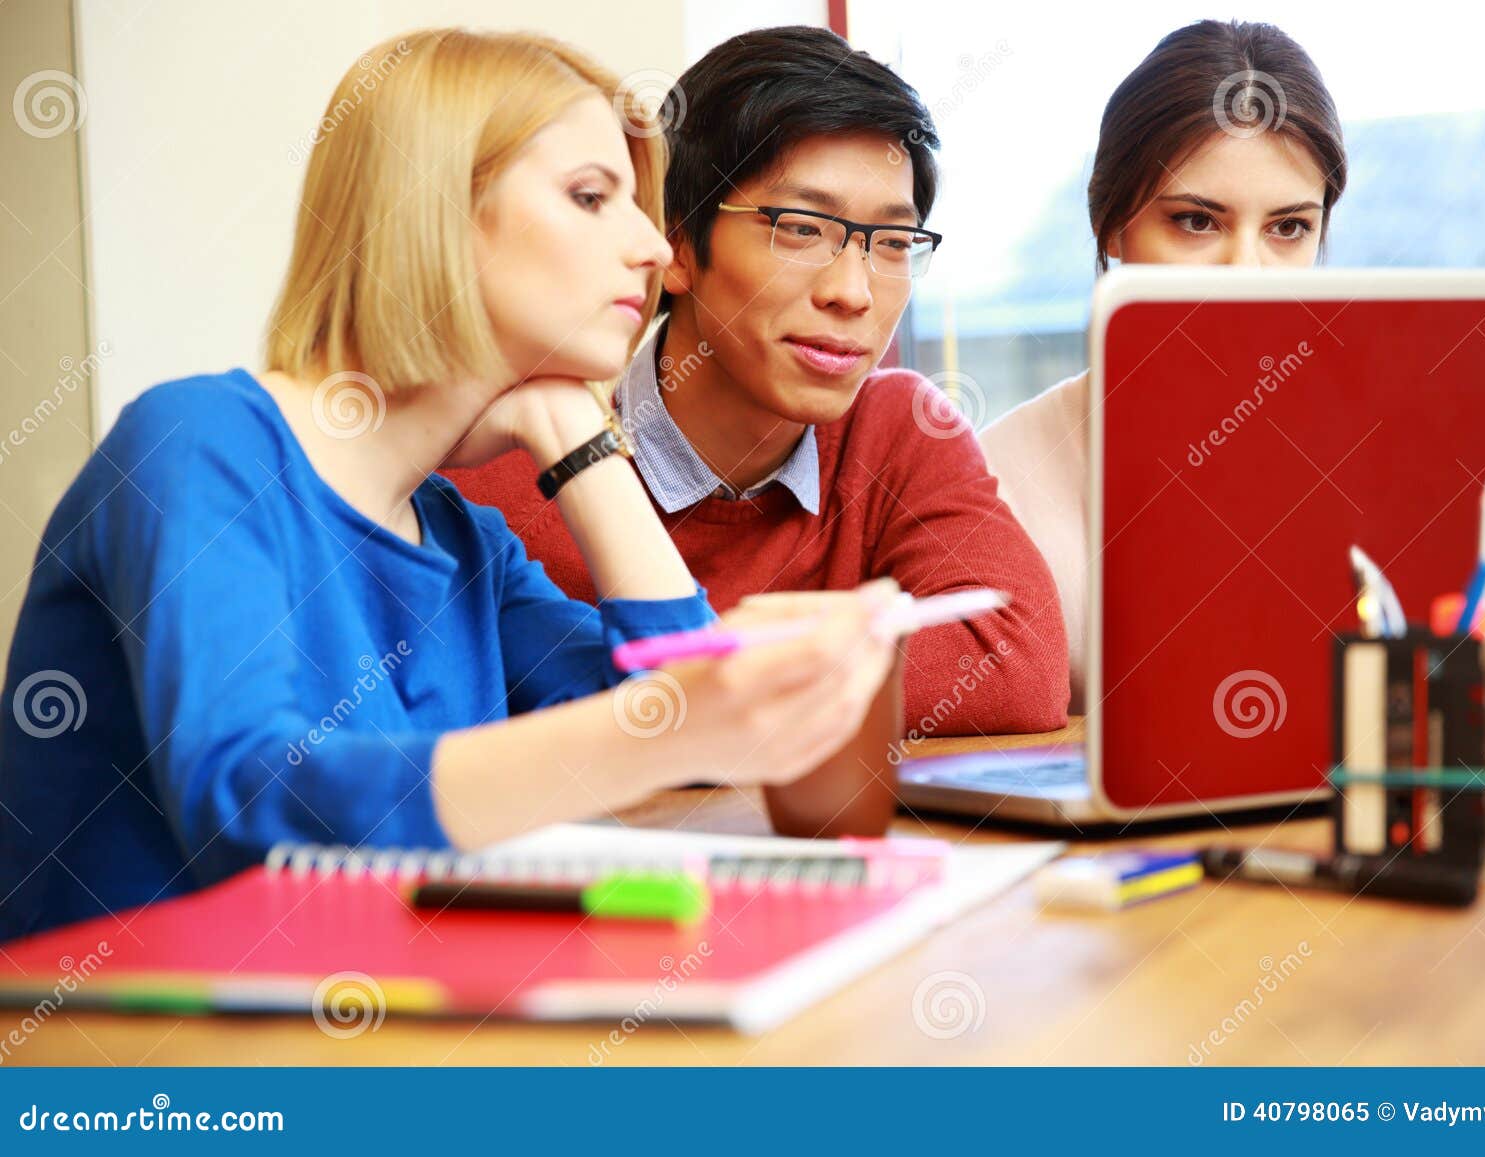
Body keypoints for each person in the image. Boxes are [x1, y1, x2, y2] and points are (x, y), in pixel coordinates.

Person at [0, 29, 898, 942]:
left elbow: (690, 736)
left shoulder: (464, 540)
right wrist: (670, 727)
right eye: (592, 197)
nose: (649, 246)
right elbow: (253, 810)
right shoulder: (199, 444)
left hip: (380, 1007)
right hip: (137, 1026)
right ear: (431, 213)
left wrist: (580, 442)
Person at [447, 26, 1071, 737]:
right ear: (675, 244)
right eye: (801, 228)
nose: (853, 293)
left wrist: (733, 675)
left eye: (894, 242)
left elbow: (1016, 665)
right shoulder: (502, 474)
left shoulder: (897, 430)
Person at [980, 19, 1348, 708]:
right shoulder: (998, 483)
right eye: (1197, 221)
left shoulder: (1387, 459)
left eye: (1289, 227)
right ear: (1111, 225)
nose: (1245, 275)